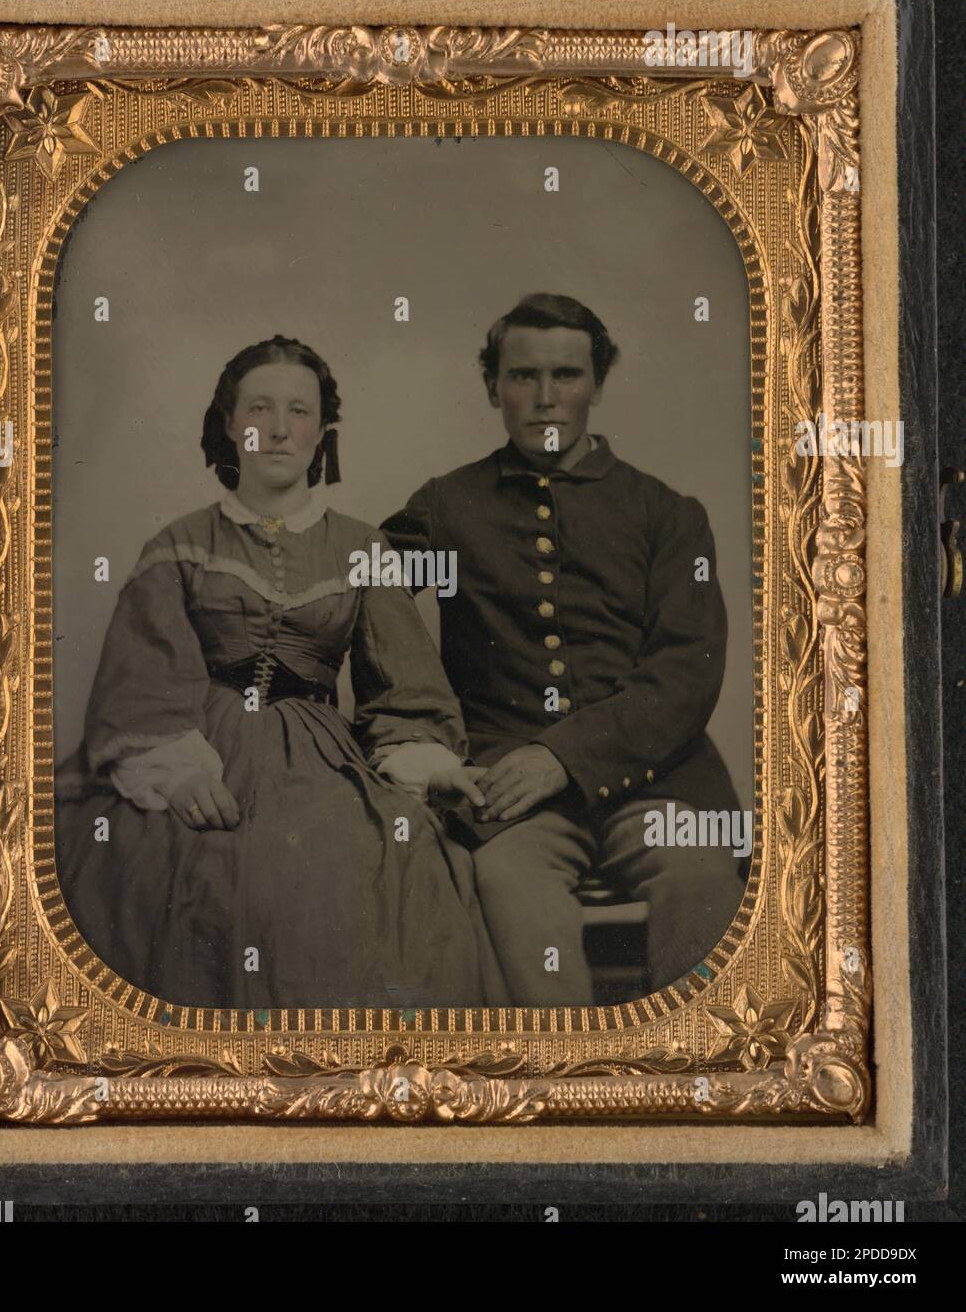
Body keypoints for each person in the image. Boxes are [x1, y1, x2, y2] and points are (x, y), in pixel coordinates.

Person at [56, 335, 499, 1009]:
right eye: (259, 407)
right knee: (185, 874)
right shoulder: (178, 544)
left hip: (320, 761)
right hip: (193, 745)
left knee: (368, 874)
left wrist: (430, 764)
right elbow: (139, 681)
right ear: (230, 425)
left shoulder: (361, 548)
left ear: (322, 430)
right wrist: (174, 777)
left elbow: (403, 686)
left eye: (299, 410)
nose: (279, 427)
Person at [382, 293, 746, 1005]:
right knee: (509, 889)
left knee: (701, 882)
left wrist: (564, 756)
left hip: (657, 779)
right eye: (522, 377)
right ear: (492, 387)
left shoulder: (666, 514)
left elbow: (685, 672)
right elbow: (363, 593)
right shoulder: (448, 506)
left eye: (566, 376)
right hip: (506, 788)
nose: (545, 399)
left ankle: (695, 1082)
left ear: (597, 385)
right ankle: (561, 1089)